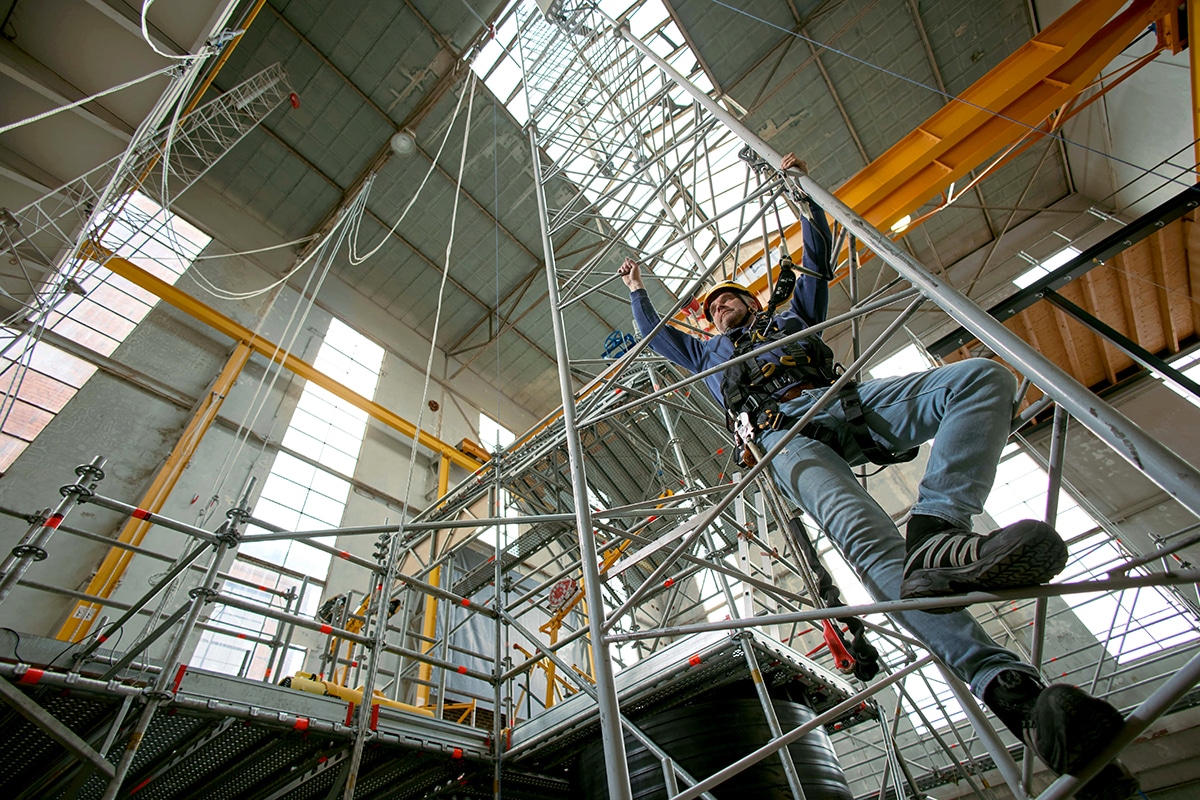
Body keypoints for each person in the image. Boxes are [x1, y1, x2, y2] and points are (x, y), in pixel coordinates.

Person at [617, 153, 1138, 799]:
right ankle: (1012, 694)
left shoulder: (790, 317)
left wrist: (803, 199)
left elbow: (816, 259)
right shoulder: (701, 352)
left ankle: (938, 528)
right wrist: (638, 289)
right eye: (716, 305)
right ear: (705, 321)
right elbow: (652, 334)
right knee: (870, 549)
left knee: (979, 379)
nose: (726, 305)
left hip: (846, 403)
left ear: (754, 303)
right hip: (783, 435)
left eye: (735, 297)